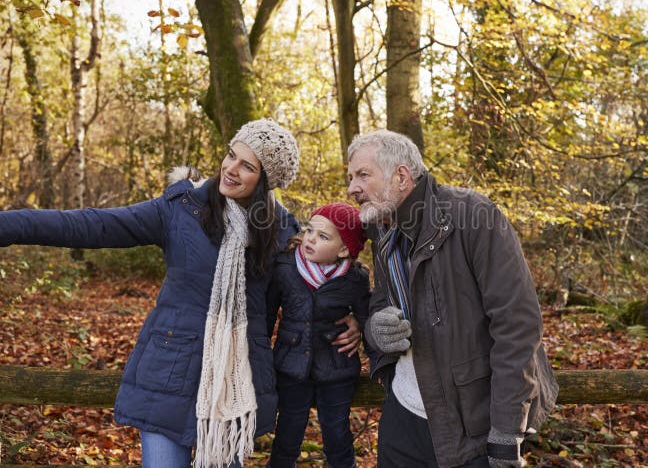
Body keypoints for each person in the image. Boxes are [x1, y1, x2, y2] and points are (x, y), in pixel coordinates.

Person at [0, 118, 361, 468]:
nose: (231, 169)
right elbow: (91, 225)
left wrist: (356, 318)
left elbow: (313, 291)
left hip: (233, 389)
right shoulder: (180, 209)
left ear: (265, 181)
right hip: (167, 374)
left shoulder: (282, 233)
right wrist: (9, 225)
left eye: (246, 165)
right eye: (231, 155)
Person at [346, 130, 559, 468]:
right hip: (402, 419)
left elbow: (517, 325)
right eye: (350, 177)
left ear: (401, 176)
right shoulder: (382, 229)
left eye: (362, 175)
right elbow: (381, 305)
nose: (352, 188)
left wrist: (506, 430)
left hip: (471, 427)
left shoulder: (473, 215)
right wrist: (376, 330)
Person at [266, 202, 372, 468]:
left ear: (344, 249)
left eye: (323, 236)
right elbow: (266, 315)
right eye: (310, 230)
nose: (311, 239)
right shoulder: (285, 267)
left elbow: (367, 315)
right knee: (287, 434)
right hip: (291, 366)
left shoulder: (355, 279)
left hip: (336, 367)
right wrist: (258, 357)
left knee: (337, 434)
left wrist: (361, 328)